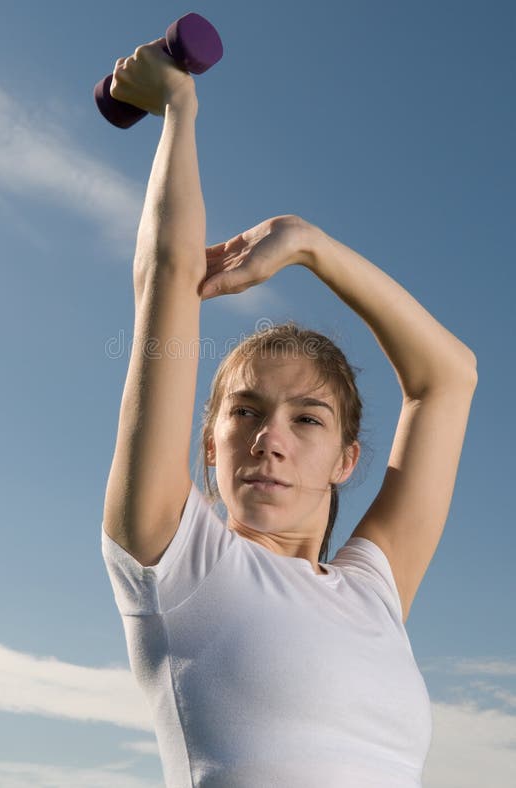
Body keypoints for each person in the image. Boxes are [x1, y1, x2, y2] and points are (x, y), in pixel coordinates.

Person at [100, 39, 478, 787]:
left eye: (307, 419)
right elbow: (168, 279)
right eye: (245, 412)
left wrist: (311, 244)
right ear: (210, 445)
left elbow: (449, 377)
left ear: (346, 460)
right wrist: (178, 108)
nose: (269, 439)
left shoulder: (375, 589)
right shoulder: (179, 563)